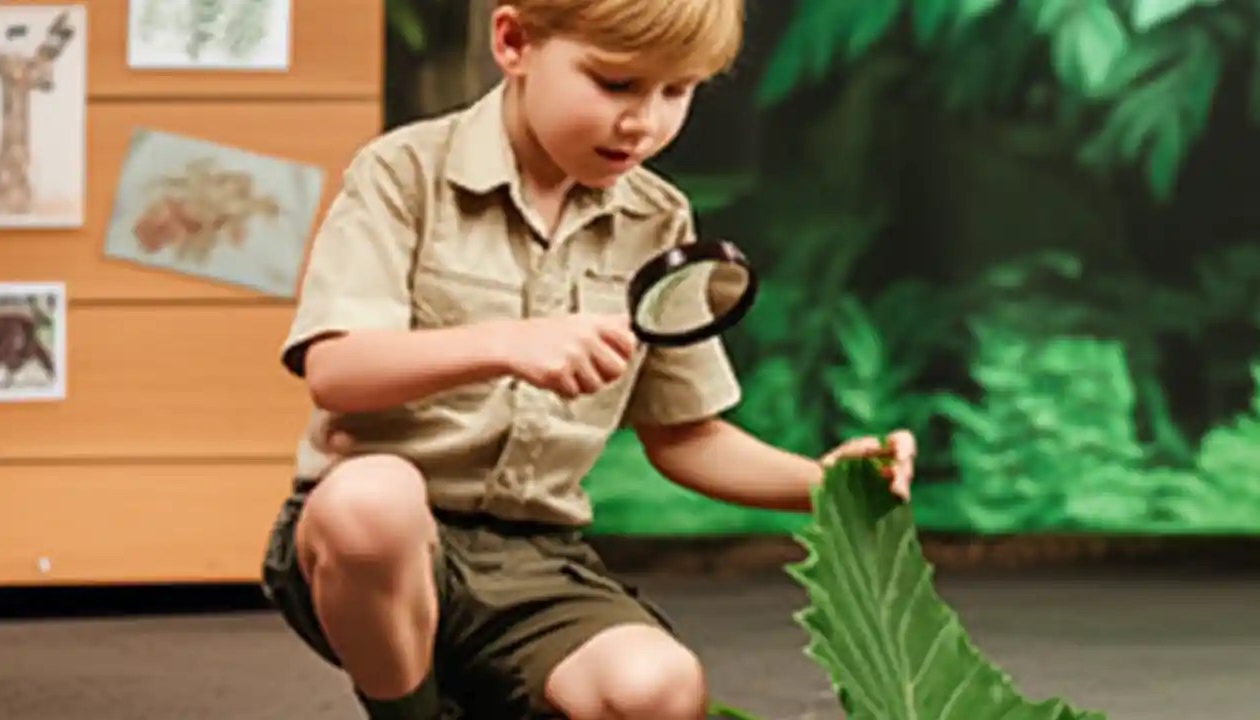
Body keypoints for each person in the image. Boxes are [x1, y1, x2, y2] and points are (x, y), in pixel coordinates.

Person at [259, 0, 918, 718]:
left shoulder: (657, 221)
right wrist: (506, 345)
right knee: (372, 500)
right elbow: (337, 371)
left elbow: (686, 436)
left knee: (656, 688)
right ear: (514, 42)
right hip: (369, 549)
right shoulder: (403, 174)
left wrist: (825, 482)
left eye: (678, 92)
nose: (645, 123)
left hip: (536, 563)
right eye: (615, 84)